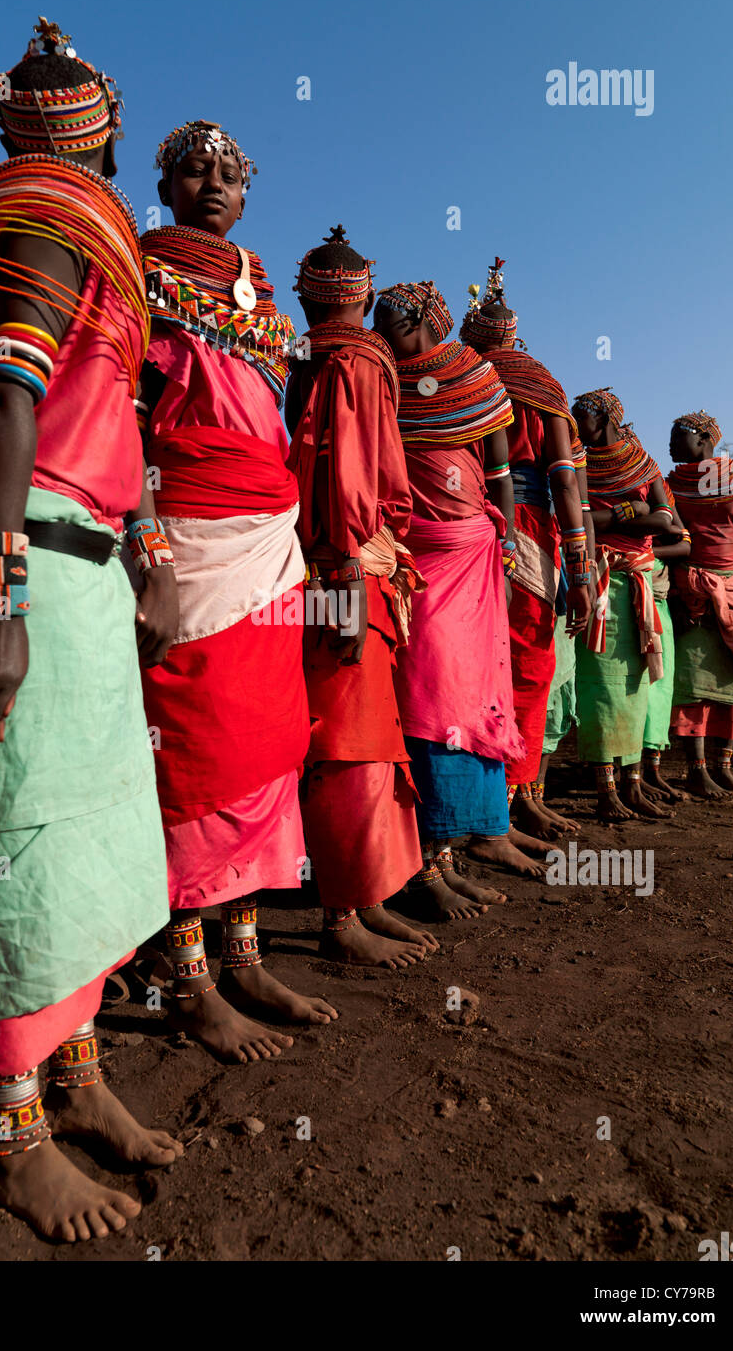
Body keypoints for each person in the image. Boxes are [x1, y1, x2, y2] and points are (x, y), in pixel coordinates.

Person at [0, 19, 182, 1242]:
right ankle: (11, 1133)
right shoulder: (45, 217)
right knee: (22, 840)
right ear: (103, 131)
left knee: (85, 839)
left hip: (74, 559)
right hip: (27, 552)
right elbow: (1, 397)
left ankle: (77, 1076)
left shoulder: (72, 225)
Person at [138, 122, 337, 1057]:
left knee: (263, 743)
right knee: (191, 749)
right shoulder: (137, 275)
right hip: (185, 538)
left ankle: (247, 954)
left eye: (229, 173)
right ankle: (188, 981)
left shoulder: (264, 304)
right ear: (164, 184)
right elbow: (126, 413)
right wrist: (139, 533)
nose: (213, 184)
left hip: (266, 537)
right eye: (193, 170)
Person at [285, 232, 439, 967]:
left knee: (361, 734)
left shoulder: (311, 357)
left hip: (329, 565)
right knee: (347, 739)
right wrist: (348, 572)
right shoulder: (353, 363)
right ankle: (340, 914)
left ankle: (366, 895)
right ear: (362, 298)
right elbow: (348, 470)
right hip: (344, 568)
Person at [374, 278, 547, 905]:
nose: (378, 323)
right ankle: (425, 855)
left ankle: (459, 844)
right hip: (413, 553)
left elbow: (500, 473)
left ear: (420, 317)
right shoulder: (380, 378)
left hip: (472, 554)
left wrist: (501, 552)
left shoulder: (475, 378)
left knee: (474, 693)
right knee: (426, 691)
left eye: (388, 315)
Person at [461, 258, 591, 840]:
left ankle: (493, 798)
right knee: (530, 661)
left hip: (461, 525)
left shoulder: (458, 378)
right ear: (514, 331)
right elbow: (566, 480)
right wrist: (583, 565)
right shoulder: (540, 386)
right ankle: (519, 794)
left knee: (474, 661)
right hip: (530, 527)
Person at [572, 390, 681, 822]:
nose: (577, 424)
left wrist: (608, 516)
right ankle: (605, 789)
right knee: (600, 685)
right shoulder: (576, 461)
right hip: (596, 582)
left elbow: (667, 523)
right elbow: (574, 517)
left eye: (584, 416)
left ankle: (633, 784)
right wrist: (627, 510)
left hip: (637, 583)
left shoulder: (644, 464)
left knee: (637, 685)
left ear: (608, 418)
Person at [667, 411, 733, 796]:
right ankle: (697, 769)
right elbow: (675, 536)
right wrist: (682, 591)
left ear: (705, 438)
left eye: (678, 436)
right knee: (693, 680)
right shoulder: (671, 484)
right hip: (693, 589)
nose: (671, 443)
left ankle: (724, 764)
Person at [640, 474, 691, 803]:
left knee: (660, 689)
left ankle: (651, 770)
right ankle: (624, 771)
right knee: (630, 689)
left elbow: (683, 540)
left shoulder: (660, 492)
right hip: (621, 590)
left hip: (657, 596)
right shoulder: (603, 482)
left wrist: (648, 550)